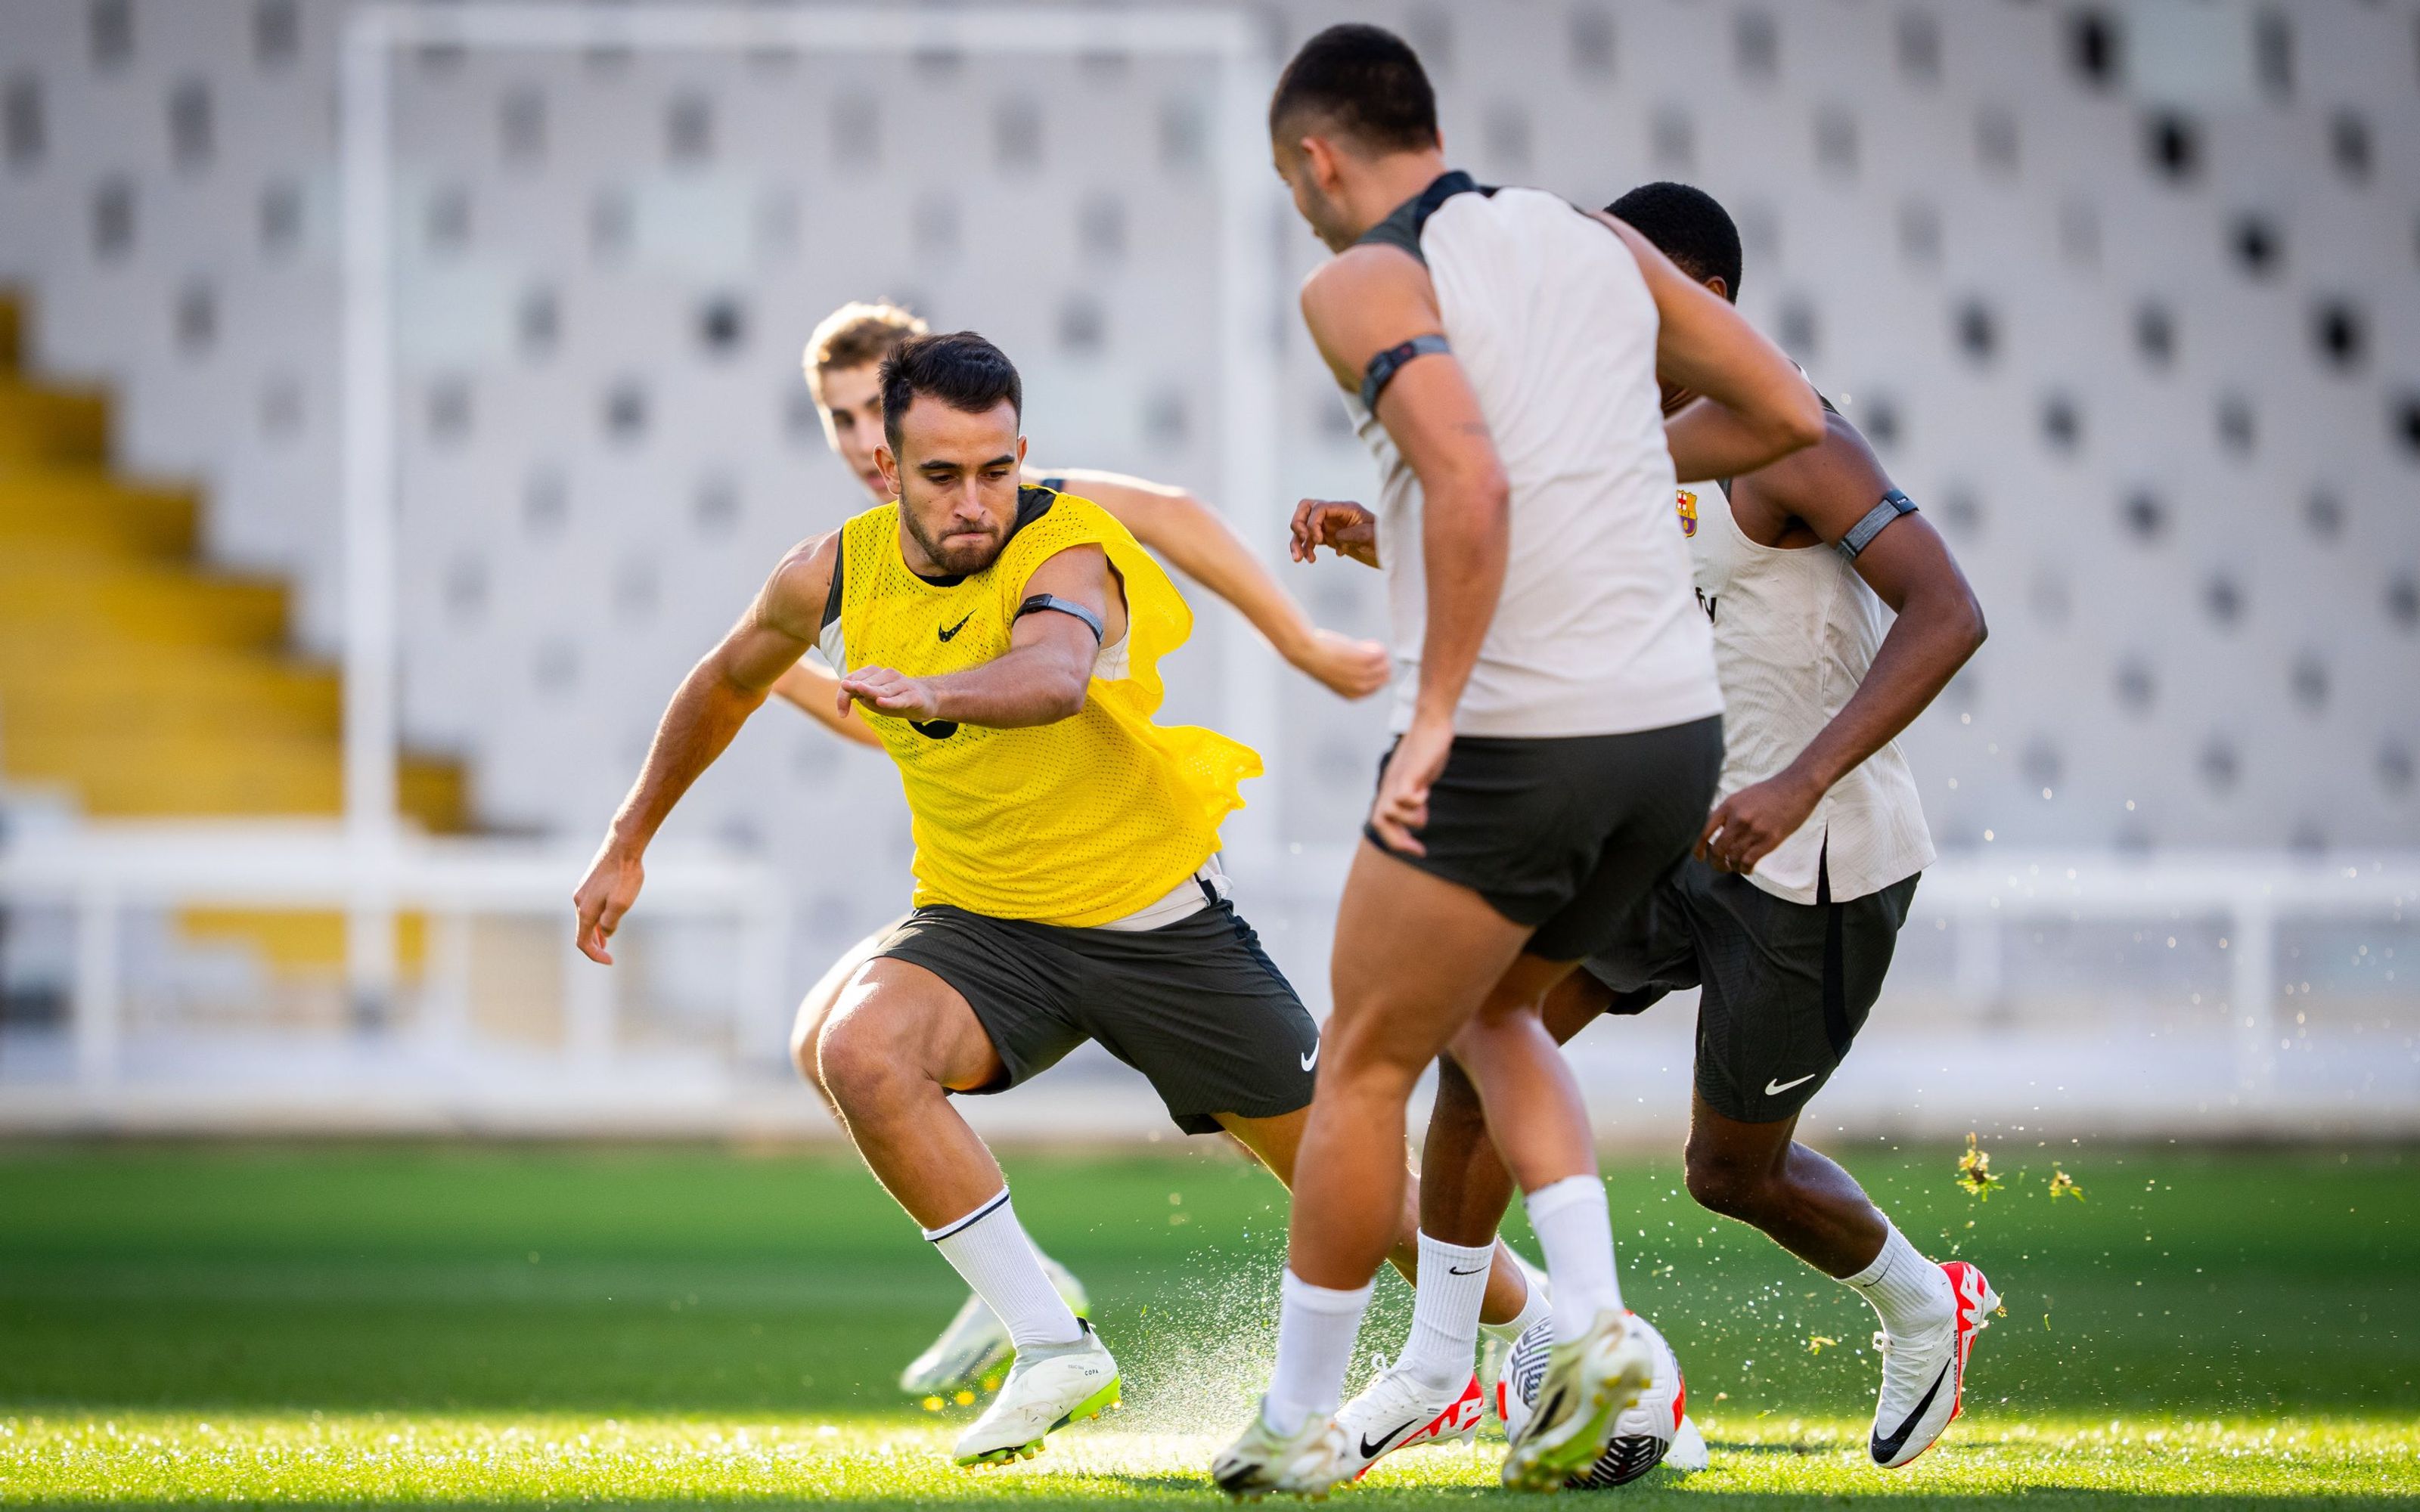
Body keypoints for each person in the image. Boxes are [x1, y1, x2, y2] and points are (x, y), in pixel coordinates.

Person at [572, 331, 1532, 1468]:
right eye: (943, 475)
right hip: (985, 925)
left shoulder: (1071, 545)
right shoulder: (826, 572)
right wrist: (628, 841)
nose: (976, 499)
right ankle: (1051, 1343)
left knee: (1369, 1204)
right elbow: (728, 681)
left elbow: (1052, 678)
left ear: (1022, 451)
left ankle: (1552, 1335)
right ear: (889, 467)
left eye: (996, 469)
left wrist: (929, 689)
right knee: (856, 1050)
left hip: (1154, 928)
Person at [1213, 27, 1825, 1497]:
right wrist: (1605, 472)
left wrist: (1428, 719)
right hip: (1668, 740)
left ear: (1317, 158)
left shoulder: (1356, 276)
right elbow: (1786, 413)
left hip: (1511, 736)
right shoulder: (1591, 241)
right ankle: (1595, 1320)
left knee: (1359, 1059)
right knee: (1498, 1015)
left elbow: (1471, 478)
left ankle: (1298, 1420)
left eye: (1295, 182)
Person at [1352, 180, 1997, 1477]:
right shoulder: (1608, 432)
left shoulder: (1794, 436)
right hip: (1659, 837)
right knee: (1482, 1047)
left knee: (1730, 1174)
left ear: (1696, 300)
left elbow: (1949, 613)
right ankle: (1435, 1366)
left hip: (1810, 861)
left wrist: (1798, 783)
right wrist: (1373, 537)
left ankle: (1928, 1304)